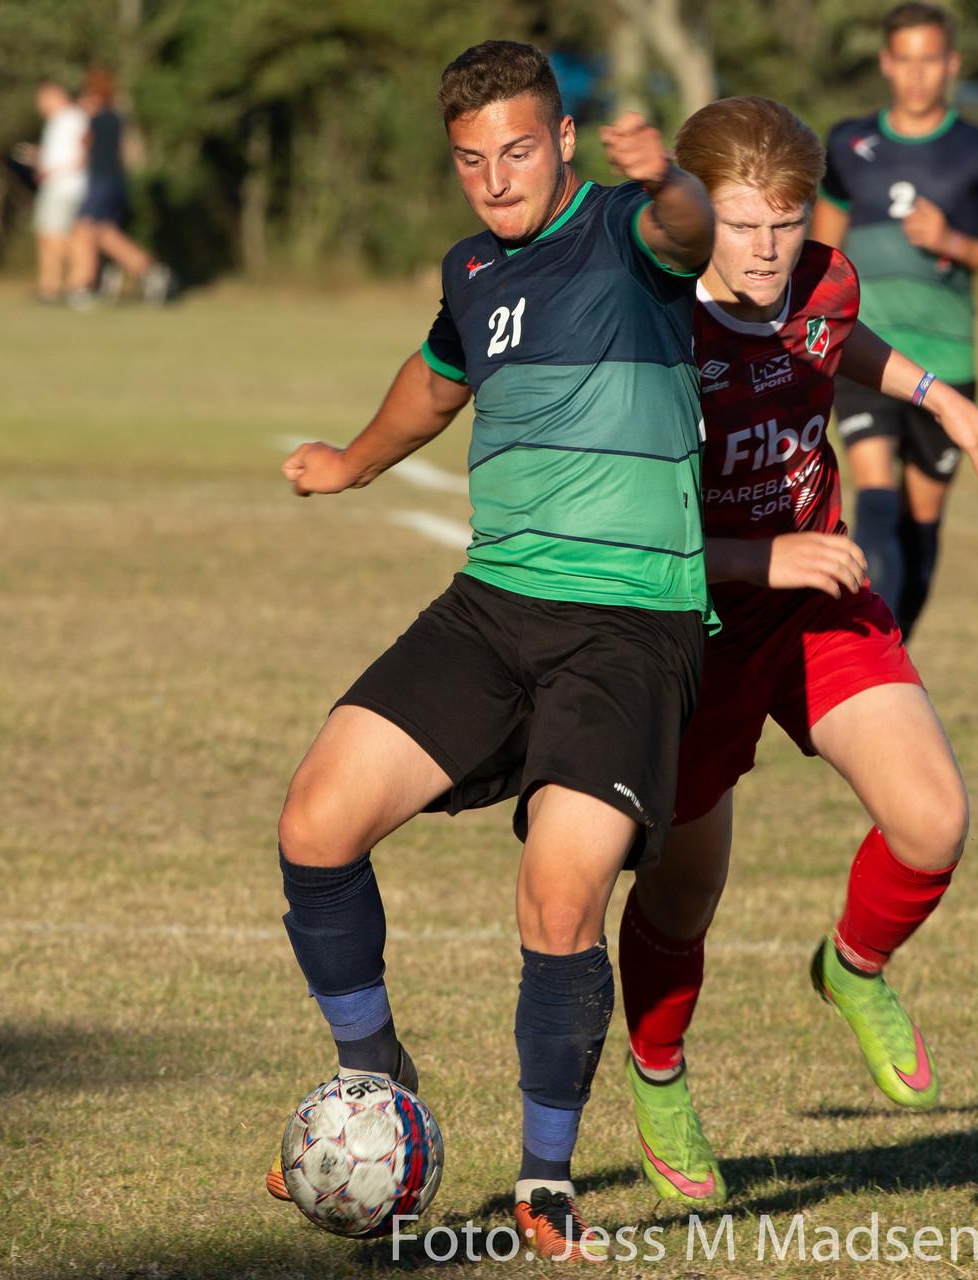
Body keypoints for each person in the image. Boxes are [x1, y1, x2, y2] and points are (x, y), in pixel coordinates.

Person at [266, 40, 714, 1262]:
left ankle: (546, 1181)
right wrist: (355, 461)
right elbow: (439, 372)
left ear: (562, 141)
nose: (497, 181)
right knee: (317, 821)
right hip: (493, 608)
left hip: (627, 623)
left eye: (518, 151)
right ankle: (381, 1094)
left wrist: (669, 176)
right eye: (472, 161)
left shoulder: (630, 228)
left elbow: (691, 228)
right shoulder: (472, 266)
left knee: (560, 897)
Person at [616, 94, 978, 1204]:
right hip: (696, 625)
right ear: (700, 215)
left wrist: (947, 404)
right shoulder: (651, 330)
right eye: (743, 224)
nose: (766, 249)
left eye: (787, 223)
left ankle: (852, 965)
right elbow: (617, 538)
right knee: (680, 895)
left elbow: (845, 338)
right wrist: (762, 559)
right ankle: (658, 1074)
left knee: (933, 817)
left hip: (817, 599)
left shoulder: (825, 279)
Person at [810, 2, 978, 636]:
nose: (915, 74)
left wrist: (954, 242)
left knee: (921, 522)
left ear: (951, 64)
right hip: (864, 351)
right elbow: (824, 257)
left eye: (928, 60)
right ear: (886, 63)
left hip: (947, 358)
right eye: (902, 59)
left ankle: (891, 652)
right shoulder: (849, 144)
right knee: (873, 490)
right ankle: (869, 656)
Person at [67, 68, 174, 307]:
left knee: (83, 230)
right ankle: (151, 271)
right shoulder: (116, 119)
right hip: (115, 184)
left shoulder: (98, 121)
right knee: (105, 234)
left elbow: (85, 148)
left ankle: (82, 286)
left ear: (95, 96)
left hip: (101, 183)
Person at [17, 79, 86, 305]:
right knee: (46, 235)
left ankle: (84, 278)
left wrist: (54, 170)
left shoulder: (73, 118)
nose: (40, 106)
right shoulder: (56, 121)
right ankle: (50, 287)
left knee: (56, 236)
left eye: (42, 100)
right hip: (53, 185)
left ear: (56, 96)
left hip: (66, 186)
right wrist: (39, 157)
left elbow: (83, 154)